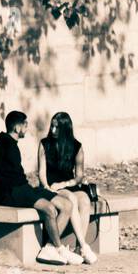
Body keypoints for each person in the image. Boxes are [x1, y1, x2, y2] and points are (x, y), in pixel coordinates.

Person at [0, 110, 80, 266]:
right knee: (49, 209)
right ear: (17, 128)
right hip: (11, 193)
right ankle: (59, 248)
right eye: (25, 125)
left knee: (66, 205)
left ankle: (50, 248)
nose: (27, 128)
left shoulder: (12, 144)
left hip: (23, 188)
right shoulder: (1, 143)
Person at [37, 111, 98, 265]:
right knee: (71, 199)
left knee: (84, 199)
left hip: (66, 185)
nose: (53, 130)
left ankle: (79, 248)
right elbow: (41, 172)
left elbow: (78, 177)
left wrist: (64, 184)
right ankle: (84, 245)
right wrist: (46, 186)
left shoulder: (77, 147)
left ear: (65, 129)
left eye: (57, 128)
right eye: (52, 126)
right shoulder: (45, 144)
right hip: (50, 187)